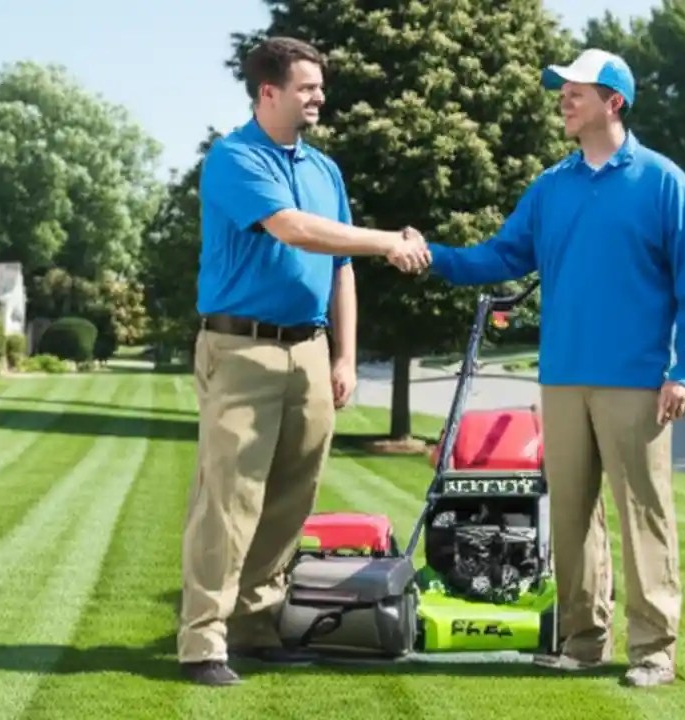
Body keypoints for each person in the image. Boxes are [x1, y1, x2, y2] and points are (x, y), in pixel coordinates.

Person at [402, 48, 685, 688]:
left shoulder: (662, 182)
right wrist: (430, 255)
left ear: (614, 101)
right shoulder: (551, 188)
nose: (563, 99)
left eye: (575, 90)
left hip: (637, 382)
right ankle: (582, 638)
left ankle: (654, 649)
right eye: (562, 90)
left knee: (644, 516)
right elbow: (500, 256)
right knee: (571, 516)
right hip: (563, 378)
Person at [177, 36, 432, 687]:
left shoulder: (325, 170)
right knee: (228, 499)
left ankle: (256, 626)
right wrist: (390, 241)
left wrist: (345, 355)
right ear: (269, 91)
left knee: (292, 496)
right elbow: (294, 229)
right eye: (307, 87)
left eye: (319, 86)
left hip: (310, 352)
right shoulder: (234, 159)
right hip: (241, 350)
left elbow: (338, 267)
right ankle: (203, 641)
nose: (319, 96)